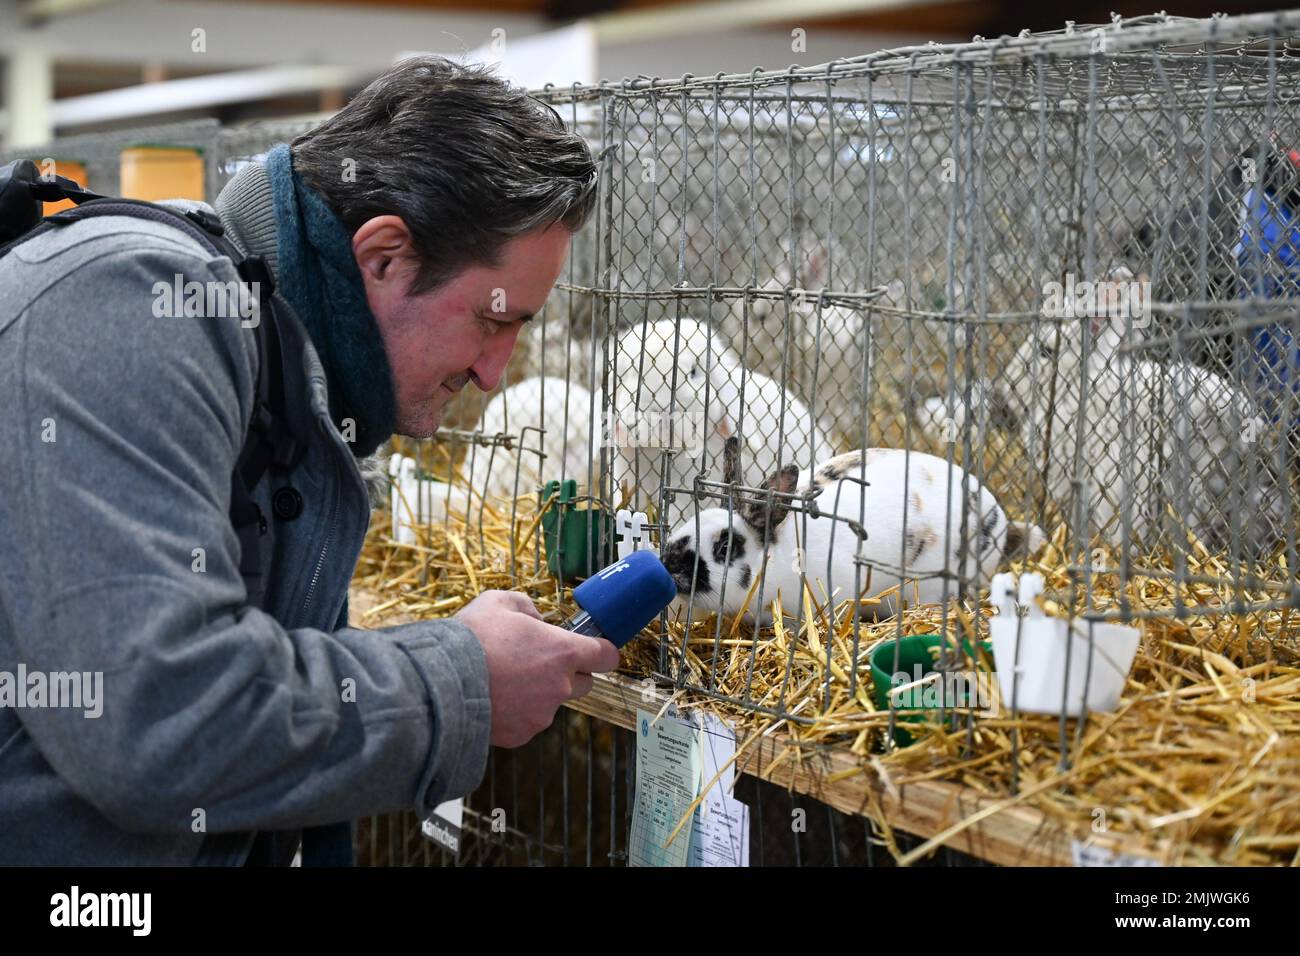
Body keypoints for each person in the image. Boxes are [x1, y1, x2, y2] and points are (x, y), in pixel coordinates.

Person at [0, 56, 620, 865]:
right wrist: (460, 683)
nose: (495, 372)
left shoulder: (289, 379)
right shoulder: (132, 307)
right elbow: (154, 721)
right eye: (493, 320)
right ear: (384, 256)